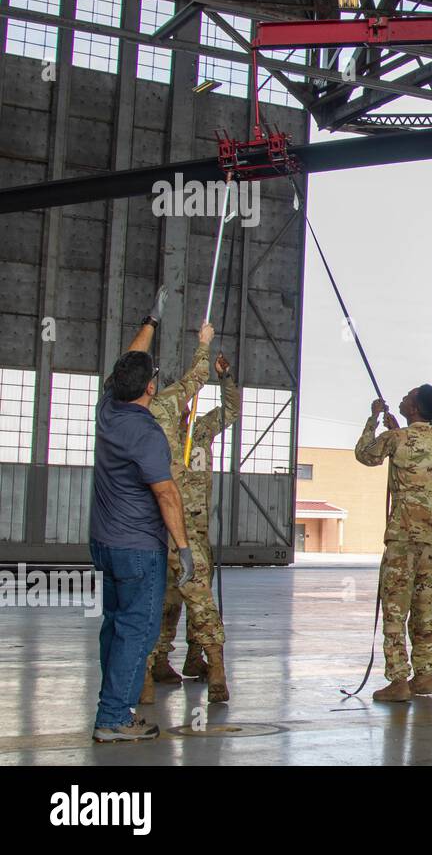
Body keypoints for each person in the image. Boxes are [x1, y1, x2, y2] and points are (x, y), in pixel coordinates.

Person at [89, 290, 194, 743]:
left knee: (115, 624)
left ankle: (110, 706)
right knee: (138, 630)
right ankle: (114, 718)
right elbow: (167, 495)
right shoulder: (147, 434)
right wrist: (185, 547)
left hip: (105, 544)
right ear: (150, 389)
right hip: (138, 549)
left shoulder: (108, 409)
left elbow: (128, 361)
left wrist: (150, 320)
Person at [138, 325, 228, 705]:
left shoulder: (125, 417)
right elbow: (196, 378)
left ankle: (145, 678)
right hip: (177, 527)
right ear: (151, 388)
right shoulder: (163, 406)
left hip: (144, 525)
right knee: (198, 596)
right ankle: (216, 667)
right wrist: (204, 342)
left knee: (144, 600)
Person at [355, 384, 432, 702]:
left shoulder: (397, 440)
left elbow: (365, 455)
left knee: (395, 608)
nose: (404, 398)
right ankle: (425, 676)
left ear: (414, 408)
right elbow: (415, 457)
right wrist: (397, 431)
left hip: (403, 535)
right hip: (429, 535)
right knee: (424, 608)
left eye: (408, 397)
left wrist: (373, 420)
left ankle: (398, 680)